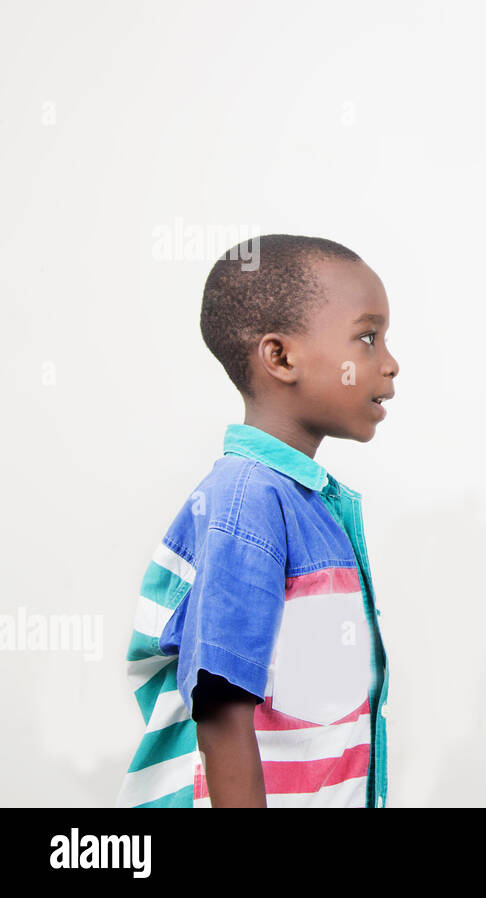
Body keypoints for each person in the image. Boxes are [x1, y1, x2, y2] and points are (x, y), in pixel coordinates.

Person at [117, 234, 399, 807]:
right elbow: (221, 710)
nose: (390, 363)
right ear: (282, 358)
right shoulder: (247, 500)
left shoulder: (309, 507)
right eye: (367, 338)